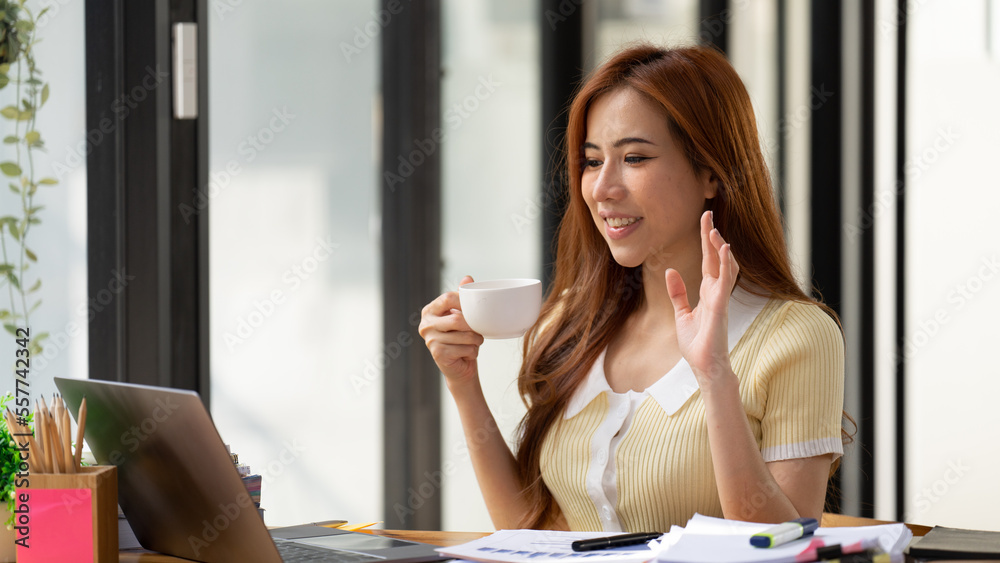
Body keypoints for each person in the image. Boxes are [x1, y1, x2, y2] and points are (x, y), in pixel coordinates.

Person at [419, 44, 848, 532]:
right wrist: (462, 382)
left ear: (711, 172)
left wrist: (714, 375)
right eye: (592, 161)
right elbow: (527, 534)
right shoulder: (570, 323)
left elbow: (782, 549)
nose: (603, 188)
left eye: (635, 158)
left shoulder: (797, 337)